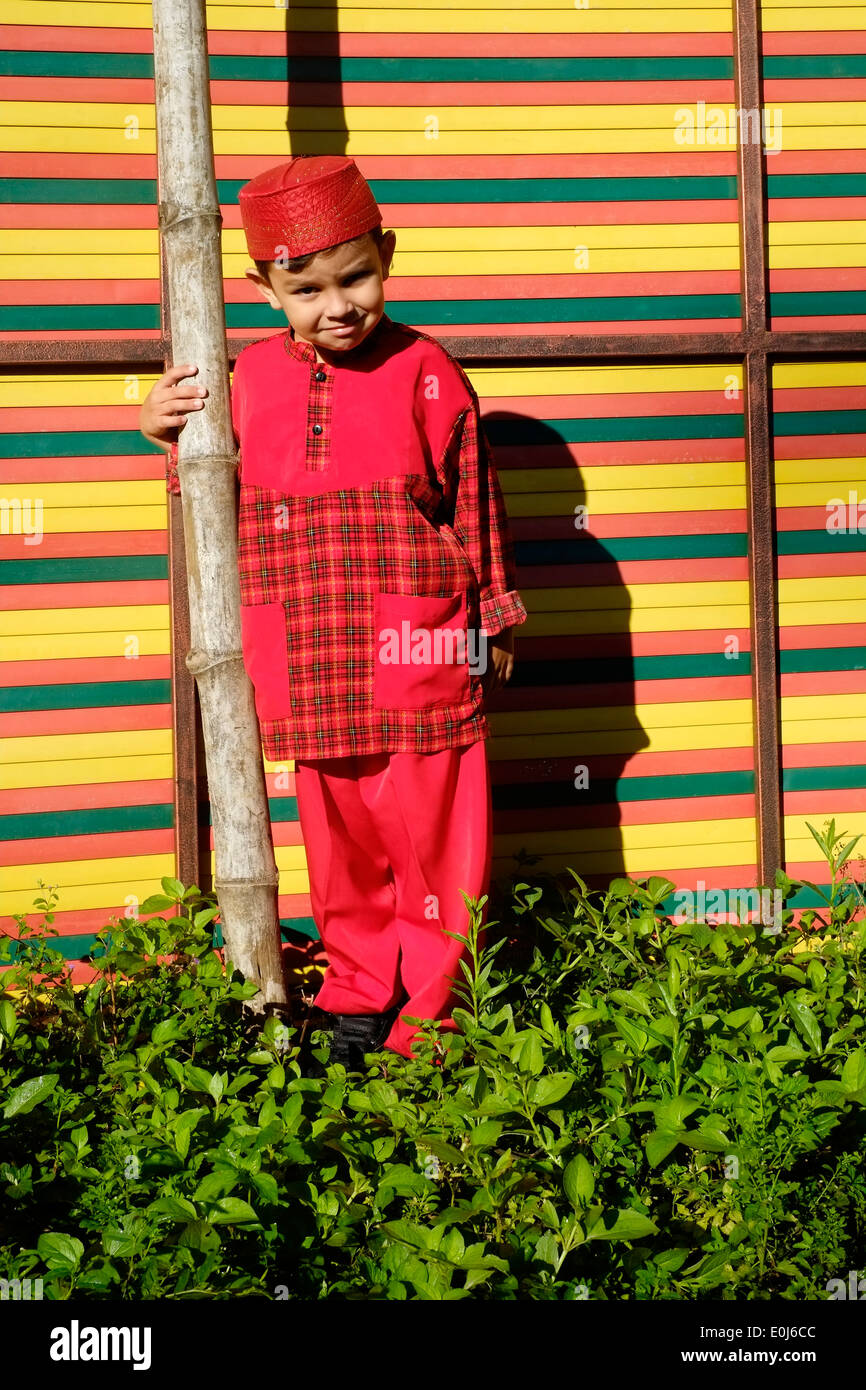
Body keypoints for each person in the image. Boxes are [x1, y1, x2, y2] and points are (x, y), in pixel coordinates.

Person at [140, 155, 528, 1067]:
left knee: (437, 844)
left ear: (386, 255)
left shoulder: (427, 370)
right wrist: (164, 432)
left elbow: (473, 497)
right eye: (305, 287)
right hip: (310, 650)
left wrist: (498, 616)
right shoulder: (247, 377)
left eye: (356, 276)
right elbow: (209, 492)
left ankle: (437, 1015)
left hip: (420, 639)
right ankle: (357, 991)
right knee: (339, 838)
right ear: (262, 284)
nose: (337, 304)